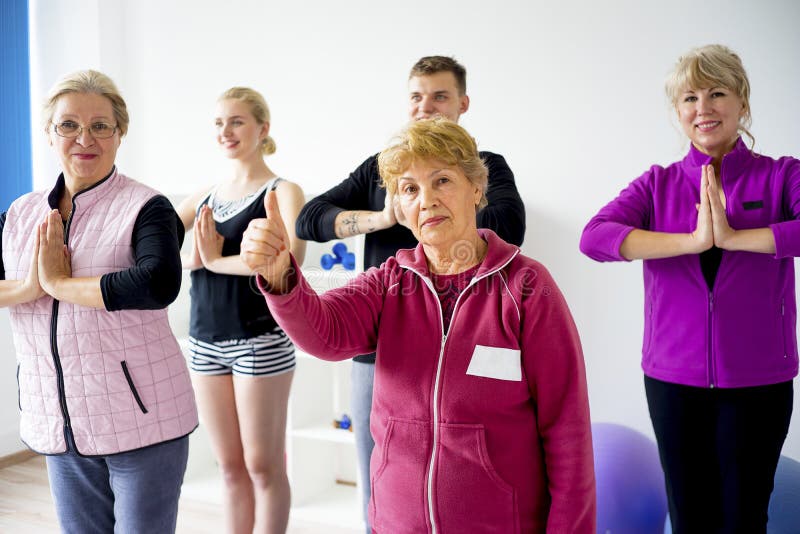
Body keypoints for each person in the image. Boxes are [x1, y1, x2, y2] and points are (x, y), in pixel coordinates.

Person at [242, 117, 595, 533]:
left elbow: (567, 431)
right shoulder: (389, 281)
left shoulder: (527, 286)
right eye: (409, 188)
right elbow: (326, 332)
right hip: (396, 521)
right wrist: (282, 276)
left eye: (442, 180)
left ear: (476, 188)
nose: (425, 200)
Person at [294, 55, 525, 532]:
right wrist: (384, 216)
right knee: (379, 477)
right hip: (377, 342)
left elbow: (511, 227)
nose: (426, 107)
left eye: (439, 96)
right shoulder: (383, 171)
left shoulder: (487, 166)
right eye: (416, 97)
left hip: (455, 335)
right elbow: (310, 219)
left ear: (463, 103)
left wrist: (434, 209)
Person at [580, 44, 797, 533]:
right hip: (673, 381)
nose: (703, 108)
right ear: (677, 112)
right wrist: (692, 241)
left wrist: (737, 239)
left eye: (717, 92)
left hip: (759, 381)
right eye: (689, 98)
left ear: (741, 102)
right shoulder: (656, 185)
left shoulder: (782, 175)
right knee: (689, 515)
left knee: (744, 516)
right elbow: (594, 237)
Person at [0, 69, 198, 533]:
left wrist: (61, 285)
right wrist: (31, 288)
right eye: (68, 125)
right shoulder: (18, 214)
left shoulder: (147, 207)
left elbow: (157, 283)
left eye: (100, 125)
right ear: (50, 134)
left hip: (143, 423)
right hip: (57, 420)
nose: (83, 138)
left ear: (119, 133)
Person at [176, 87, 306, 534]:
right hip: (204, 343)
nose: (225, 131)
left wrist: (212, 260)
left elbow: (289, 260)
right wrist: (192, 257)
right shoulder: (206, 195)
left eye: (236, 121)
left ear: (262, 129)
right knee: (229, 467)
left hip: (260, 339)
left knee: (263, 466)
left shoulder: (283, 191)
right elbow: (152, 251)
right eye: (218, 123)